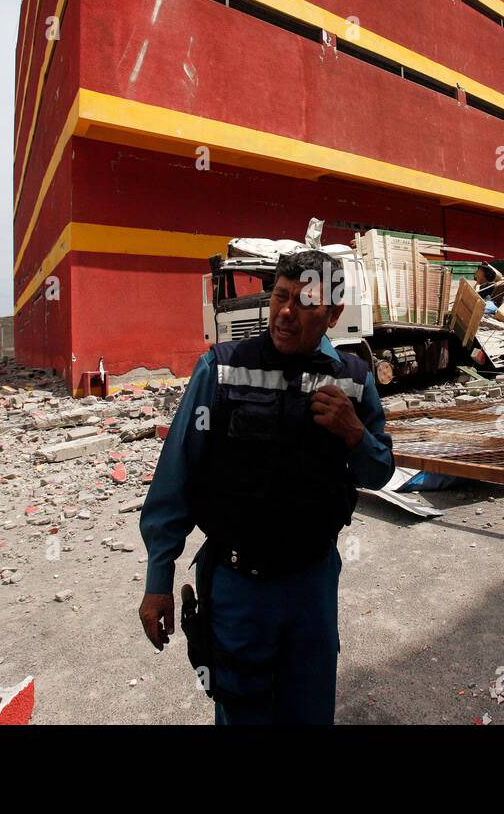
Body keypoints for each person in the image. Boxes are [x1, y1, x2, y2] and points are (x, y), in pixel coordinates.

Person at [138, 249, 394, 724]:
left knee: (309, 711)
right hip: (239, 588)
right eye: (281, 295)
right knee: (241, 712)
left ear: (334, 313)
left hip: (312, 588)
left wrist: (354, 433)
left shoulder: (354, 381)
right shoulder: (220, 369)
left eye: (305, 302)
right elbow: (177, 477)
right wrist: (159, 580)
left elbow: (379, 472)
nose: (285, 312)